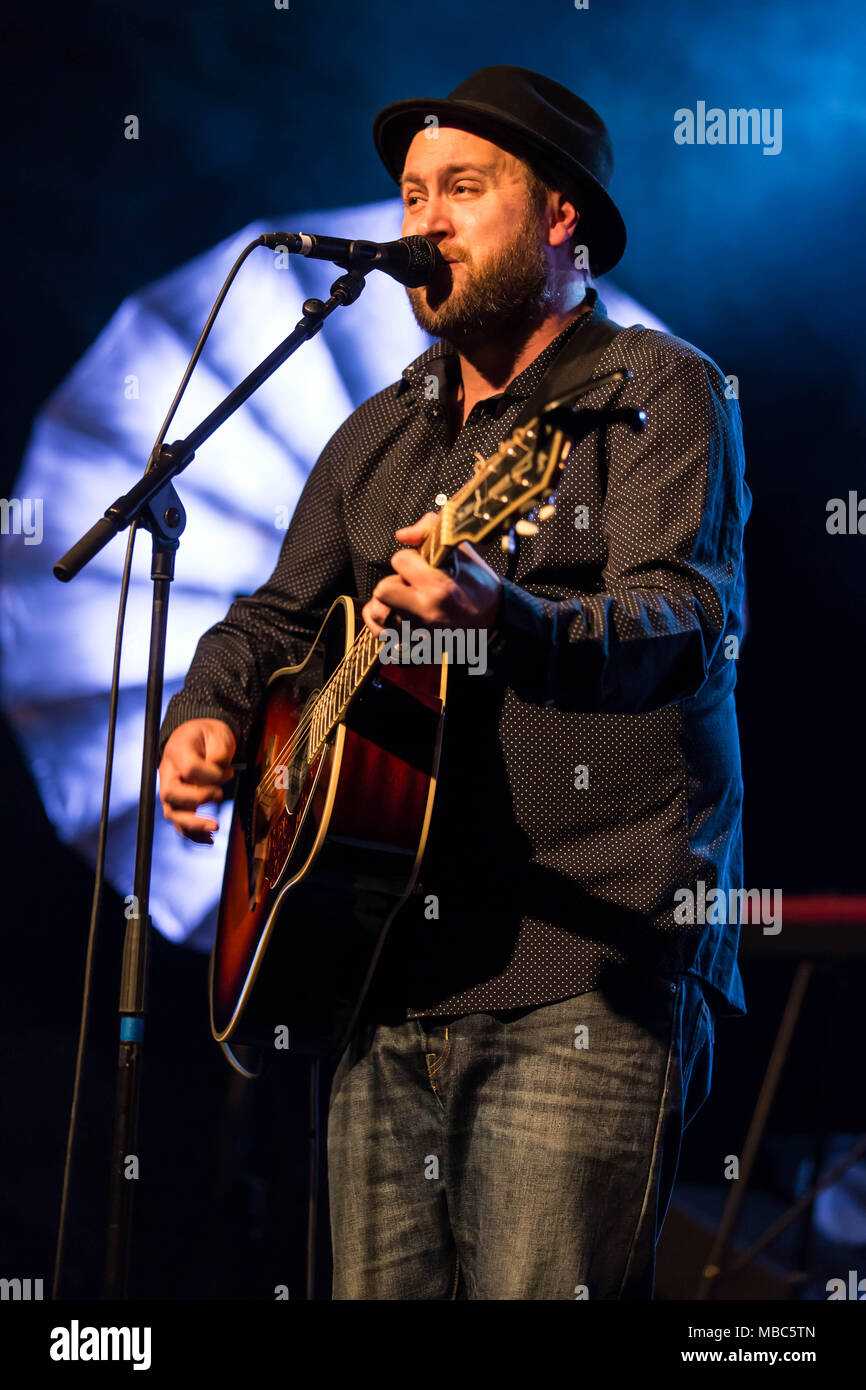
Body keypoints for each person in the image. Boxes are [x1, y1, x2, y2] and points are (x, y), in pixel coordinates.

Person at [157, 65, 752, 1300]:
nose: (420, 219)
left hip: (584, 964)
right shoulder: (380, 432)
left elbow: (684, 621)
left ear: (559, 219)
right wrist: (209, 715)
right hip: (381, 974)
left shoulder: (650, 390)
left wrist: (510, 619)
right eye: (410, 193)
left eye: (462, 189)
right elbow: (270, 620)